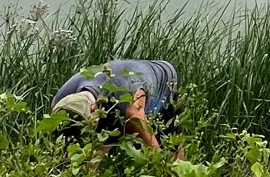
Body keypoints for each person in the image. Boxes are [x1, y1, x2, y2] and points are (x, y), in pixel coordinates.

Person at [50, 58, 178, 150]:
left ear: (94, 109)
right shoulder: (59, 100)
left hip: (164, 81)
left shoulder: (129, 105)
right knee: (104, 136)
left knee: (165, 143)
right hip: (119, 85)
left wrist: (160, 163)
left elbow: (137, 119)